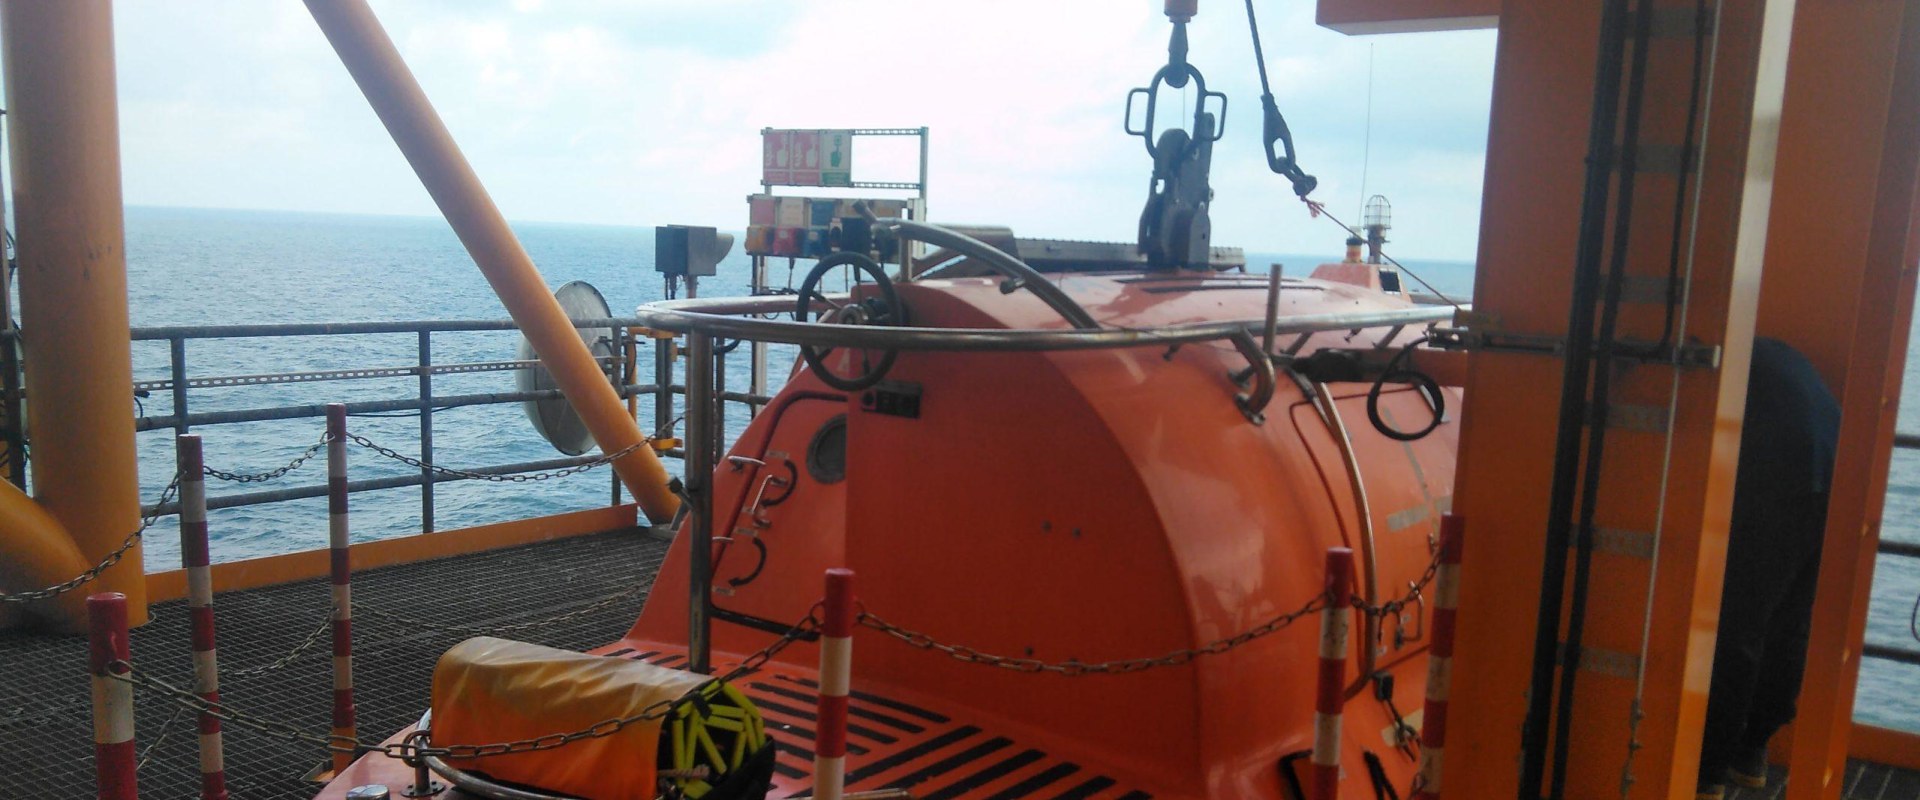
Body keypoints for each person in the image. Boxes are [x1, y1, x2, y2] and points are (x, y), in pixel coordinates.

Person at [1697, 337, 1841, 799]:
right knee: (1789, 620)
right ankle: (1753, 747)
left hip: (1780, 478)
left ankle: (1709, 770)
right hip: (1832, 475)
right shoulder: (1772, 354)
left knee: (1738, 625)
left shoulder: (1714, 362)